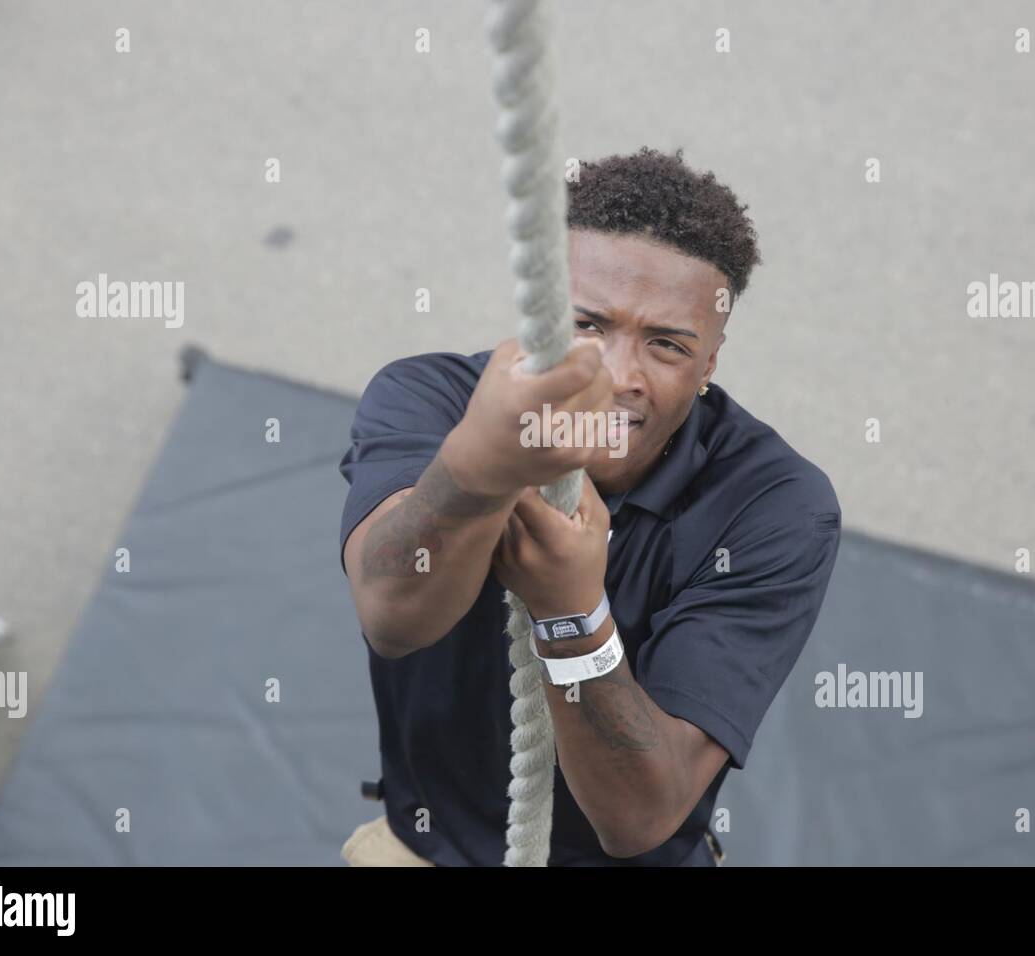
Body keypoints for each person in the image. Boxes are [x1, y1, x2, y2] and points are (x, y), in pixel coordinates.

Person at [338, 147, 841, 866]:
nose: (617, 377)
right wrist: (477, 467)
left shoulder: (773, 506)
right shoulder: (430, 401)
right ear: (537, 318)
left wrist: (572, 613)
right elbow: (392, 614)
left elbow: (640, 818)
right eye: (588, 325)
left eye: (666, 345)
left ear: (708, 367)